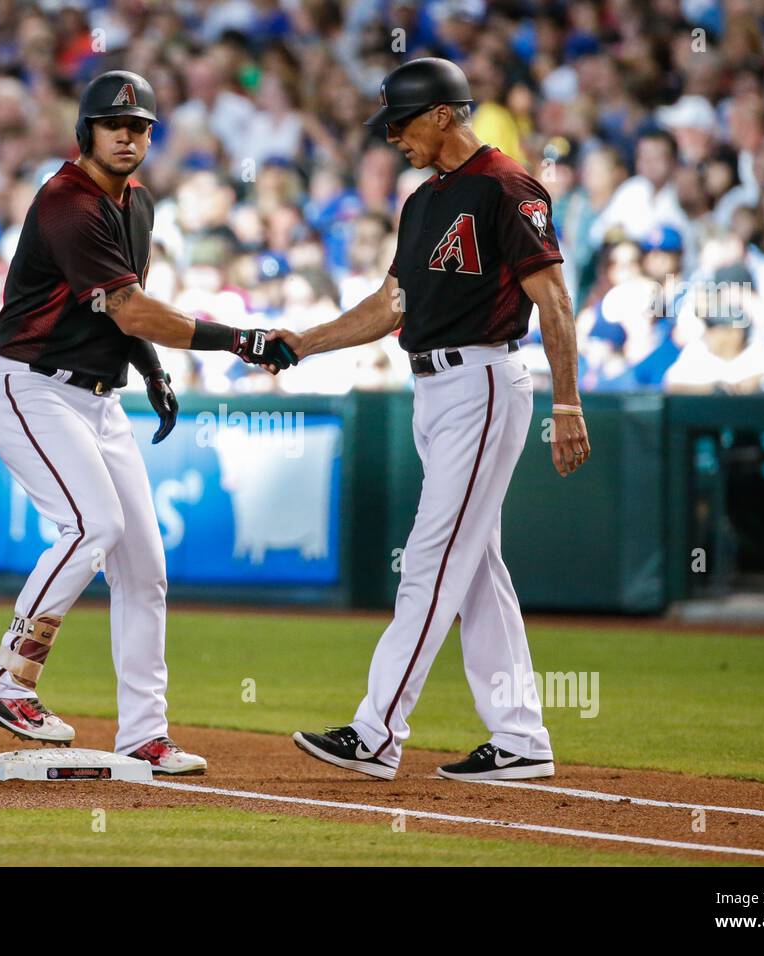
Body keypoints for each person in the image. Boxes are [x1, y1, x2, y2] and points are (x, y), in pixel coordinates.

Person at [0, 70, 293, 775]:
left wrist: (150, 369)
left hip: (98, 399)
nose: (129, 136)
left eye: (140, 126)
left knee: (145, 568)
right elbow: (133, 308)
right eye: (116, 124)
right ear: (87, 132)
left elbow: (122, 306)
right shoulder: (67, 202)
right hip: (33, 388)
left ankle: (144, 732)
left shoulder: (136, 203)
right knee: (93, 527)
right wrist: (242, 340)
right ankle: (5, 676)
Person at [277, 58, 589, 782]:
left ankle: (378, 730)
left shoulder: (509, 185)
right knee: (476, 571)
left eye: (400, 121)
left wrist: (567, 403)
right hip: (433, 389)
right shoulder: (423, 201)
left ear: (443, 114)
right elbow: (392, 305)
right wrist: (306, 342)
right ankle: (521, 738)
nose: (391, 137)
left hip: (482, 379)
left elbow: (556, 302)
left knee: (430, 559)